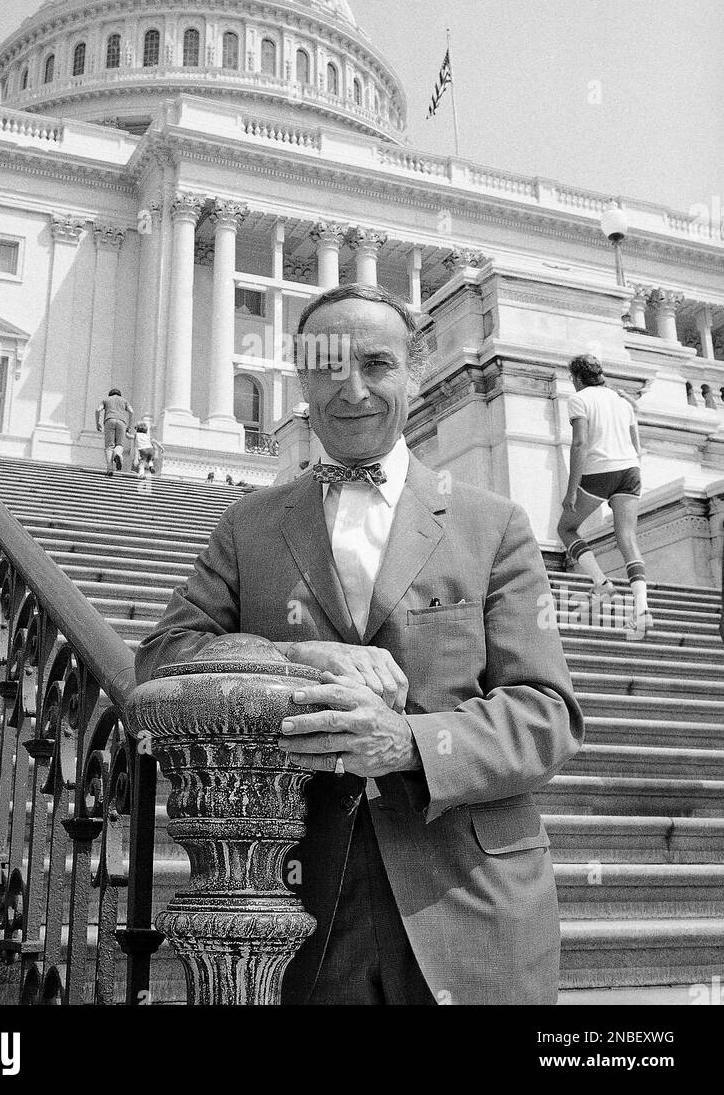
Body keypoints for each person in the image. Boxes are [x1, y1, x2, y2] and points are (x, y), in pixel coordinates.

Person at [135, 283, 583, 1006]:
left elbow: (547, 715)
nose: (351, 389)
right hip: (297, 888)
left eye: (376, 363)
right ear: (300, 376)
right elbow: (161, 660)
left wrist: (407, 744)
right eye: (327, 366)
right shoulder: (246, 527)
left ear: (413, 372)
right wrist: (294, 659)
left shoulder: (492, 524)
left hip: (469, 889)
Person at [558, 354, 651, 638]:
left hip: (599, 472)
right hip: (630, 470)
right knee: (627, 537)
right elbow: (636, 444)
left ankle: (601, 582)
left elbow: (580, 443)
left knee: (566, 528)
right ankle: (642, 609)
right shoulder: (622, 402)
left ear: (576, 378)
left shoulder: (579, 399)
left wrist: (571, 488)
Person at [95, 387, 133, 475]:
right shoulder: (124, 401)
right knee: (119, 444)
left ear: (110, 394)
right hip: (121, 422)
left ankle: (110, 468)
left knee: (109, 446)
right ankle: (118, 454)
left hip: (109, 420)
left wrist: (97, 423)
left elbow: (98, 410)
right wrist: (129, 426)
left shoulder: (106, 400)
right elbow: (131, 412)